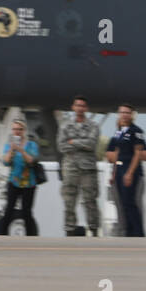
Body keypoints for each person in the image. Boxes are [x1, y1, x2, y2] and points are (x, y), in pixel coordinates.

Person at [58, 97, 101, 236]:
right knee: (69, 201)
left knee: (90, 200)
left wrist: (72, 142)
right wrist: (81, 143)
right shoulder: (65, 125)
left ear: (86, 108)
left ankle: (93, 229)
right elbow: (61, 146)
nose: (80, 108)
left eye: (83, 106)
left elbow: (92, 144)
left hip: (88, 170)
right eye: (77, 105)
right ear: (73, 107)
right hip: (70, 168)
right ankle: (70, 229)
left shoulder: (93, 125)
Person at [106, 104, 146, 237]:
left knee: (131, 203)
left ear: (132, 115)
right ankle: (129, 232)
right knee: (123, 203)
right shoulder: (119, 132)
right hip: (119, 170)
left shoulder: (136, 131)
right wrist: (113, 173)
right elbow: (115, 154)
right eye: (122, 112)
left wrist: (129, 173)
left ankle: (138, 232)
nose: (124, 115)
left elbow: (138, 153)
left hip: (131, 170)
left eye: (127, 113)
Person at [0, 118, 39, 235]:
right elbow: (5, 162)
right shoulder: (9, 145)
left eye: (20, 129)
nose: (17, 132)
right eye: (14, 129)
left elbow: (32, 161)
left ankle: (30, 236)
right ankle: (1, 235)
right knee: (9, 210)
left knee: (27, 211)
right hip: (14, 181)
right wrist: (12, 150)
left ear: (24, 131)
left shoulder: (32, 145)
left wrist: (21, 150)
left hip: (29, 182)